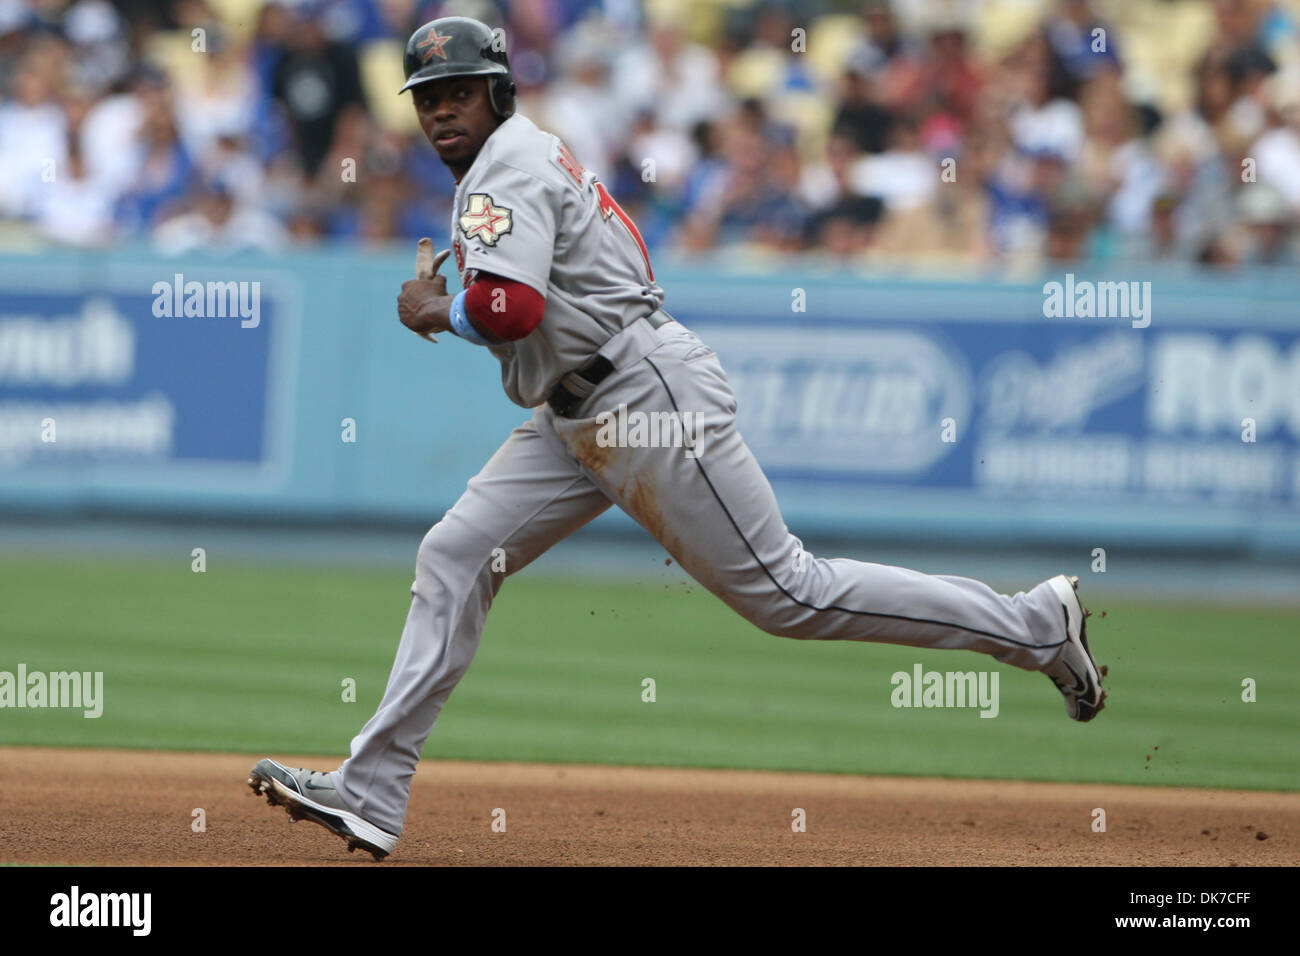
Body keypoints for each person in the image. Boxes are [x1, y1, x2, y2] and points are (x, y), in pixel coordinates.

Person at [249, 17, 1106, 861]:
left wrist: (436, 308)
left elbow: (515, 309)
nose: (441, 110)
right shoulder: (520, 156)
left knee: (790, 596)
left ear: (499, 90)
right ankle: (371, 792)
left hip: (639, 396)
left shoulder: (502, 170)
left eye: (459, 91)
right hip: (577, 408)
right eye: (429, 96)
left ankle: (1032, 626)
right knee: (456, 554)